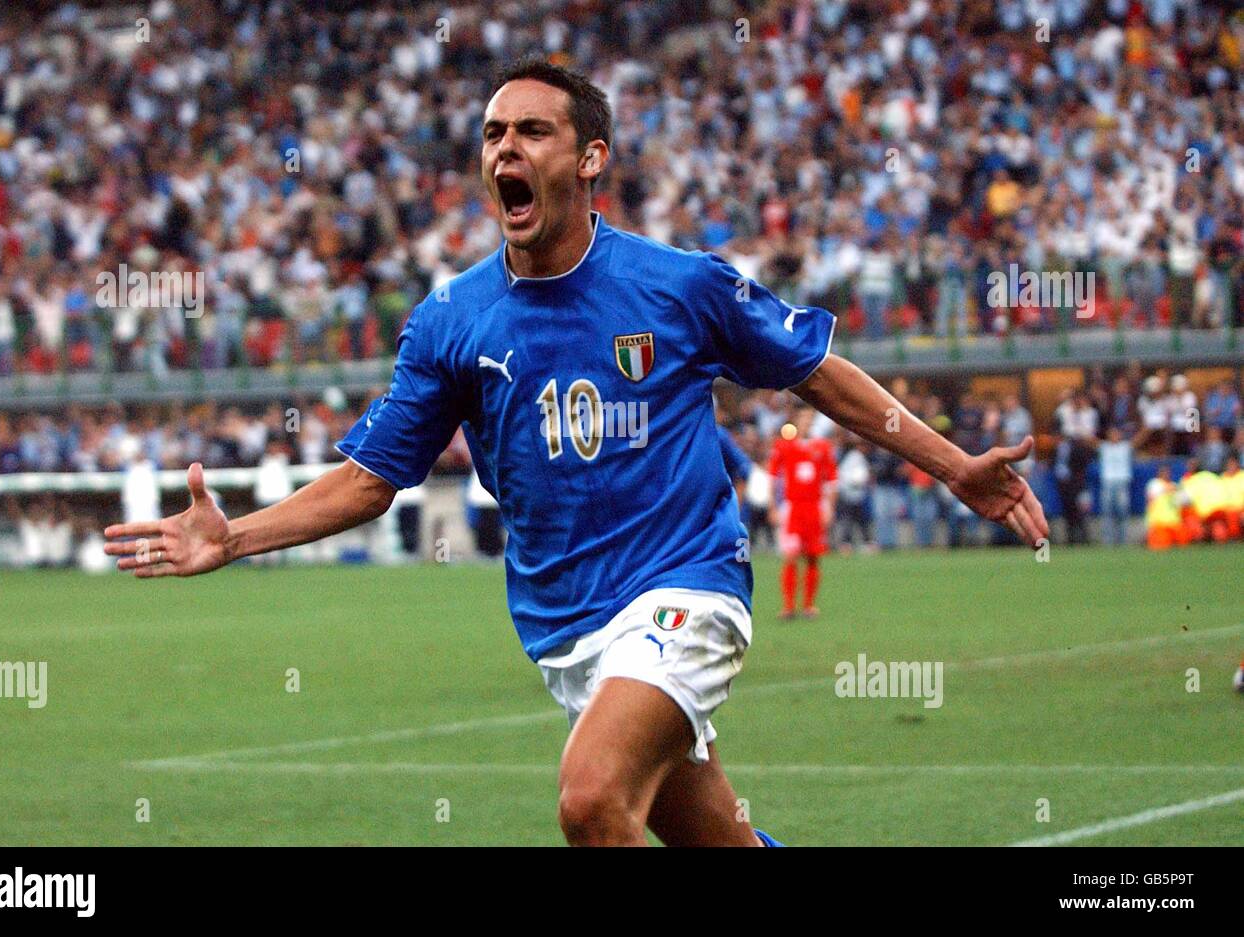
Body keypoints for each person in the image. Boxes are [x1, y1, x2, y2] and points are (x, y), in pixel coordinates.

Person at [104, 60, 1047, 848]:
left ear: (591, 157)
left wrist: (955, 463)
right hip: (565, 630)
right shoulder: (451, 320)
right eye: (491, 135)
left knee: (591, 800)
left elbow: (817, 371)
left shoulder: (679, 287)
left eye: (531, 132)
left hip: (688, 586)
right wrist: (235, 540)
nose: (504, 149)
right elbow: (367, 479)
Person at [767, 408, 837, 619]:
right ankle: (788, 606)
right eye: (803, 419)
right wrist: (772, 507)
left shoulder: (822, 447)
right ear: (796, 421)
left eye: (809, 419)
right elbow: (773, 478)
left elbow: (832, 480)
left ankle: (808, 606)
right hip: (793, 507)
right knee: (791, 555)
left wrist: (830, 507)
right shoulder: (784, 446)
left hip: (814, 507)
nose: (806, 423)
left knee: (813, 556)